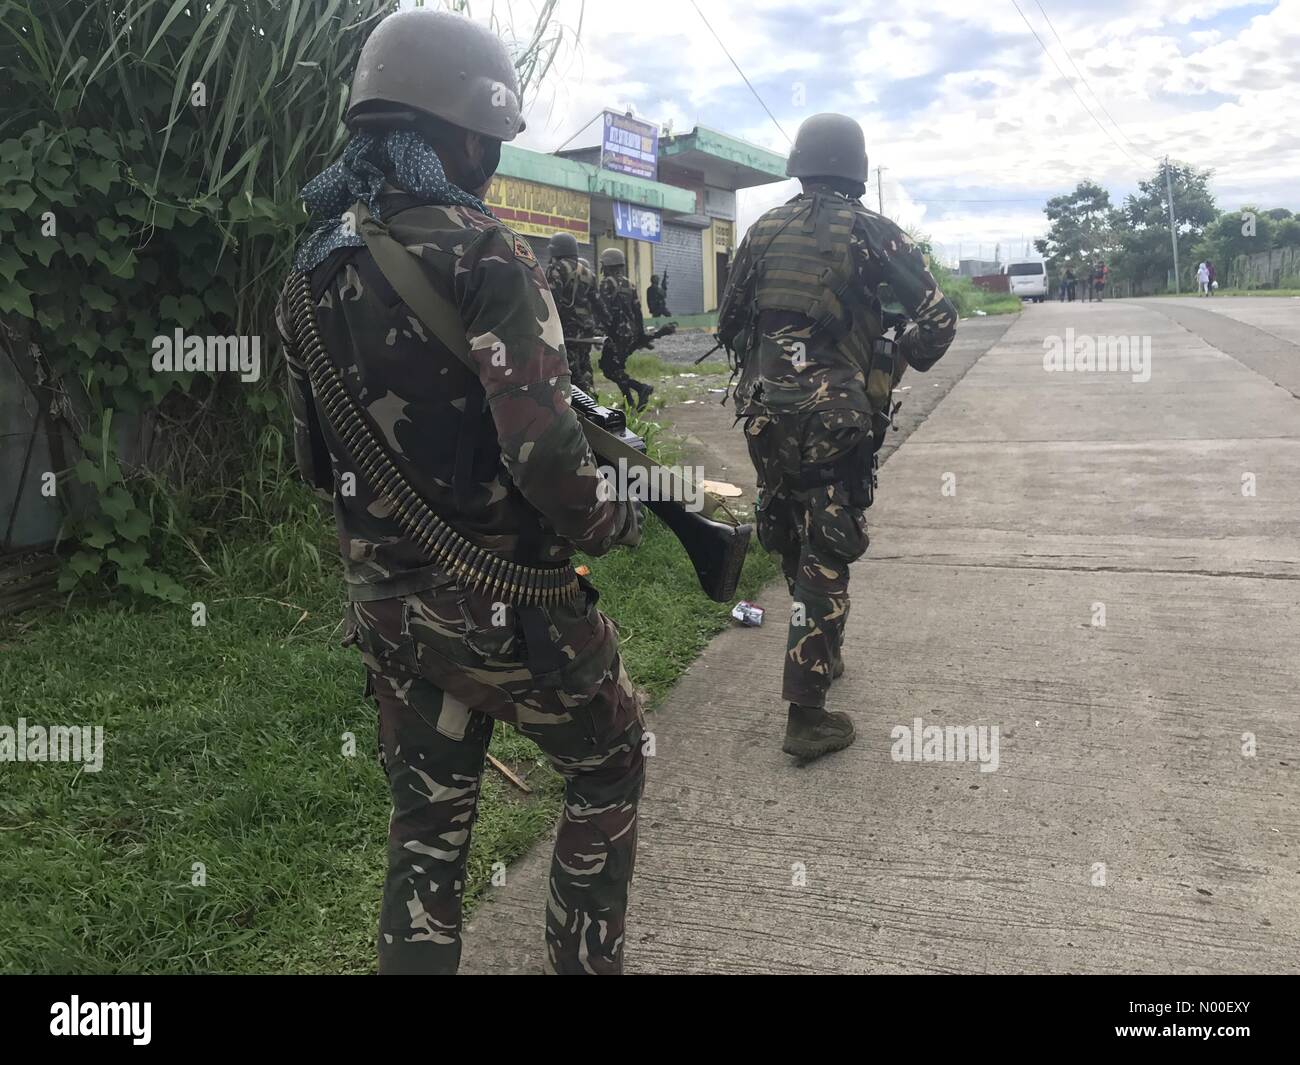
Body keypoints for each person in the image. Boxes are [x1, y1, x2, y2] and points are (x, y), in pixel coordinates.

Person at [275, 7, 646, 975]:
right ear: (464, 131)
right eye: (491, 137)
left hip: (389, 609)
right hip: (510, 607)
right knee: (608, 763)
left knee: (427, 829)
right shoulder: (488, 252)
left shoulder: (310, 269)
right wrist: (611, 518)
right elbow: (543, 457)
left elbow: (312, 461)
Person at [718, 112, 956, 762]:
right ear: (855, 168)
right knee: (830, 540)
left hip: (767, 413)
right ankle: (807, 715)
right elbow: (938, 318)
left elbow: (729, 320)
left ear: (800, 164)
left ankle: (819, 649)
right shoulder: (873, 231)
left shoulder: (763, 228)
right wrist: (894, 352)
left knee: (790, 529)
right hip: (834, 417)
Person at [546, 231, 605, 395]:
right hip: (585, 332)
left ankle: (582, 408)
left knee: (571, 375)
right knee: (585, 367)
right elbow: (599, 304)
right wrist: (601, 326)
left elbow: (551, 301)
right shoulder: (588, 272)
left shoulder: (556, 269)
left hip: (567, 333)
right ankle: (594, 402)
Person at [599, 247, 655, 410]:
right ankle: (629, 401)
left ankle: (641, 388)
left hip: (615, 333)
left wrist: (599, 331)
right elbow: (638, 311)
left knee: (608, 369)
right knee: (617, 367)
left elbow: (603, 310)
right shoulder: (629, 284)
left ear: (607, 265)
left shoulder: (606, 283)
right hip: (629, 334)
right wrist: (641, 334)